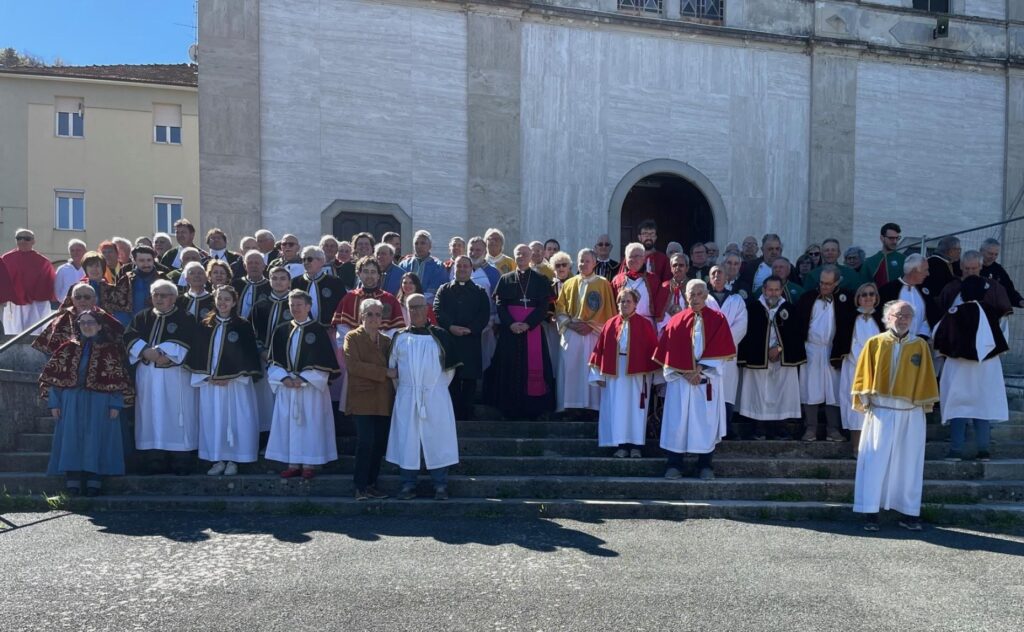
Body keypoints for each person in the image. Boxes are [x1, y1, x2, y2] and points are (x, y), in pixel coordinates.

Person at [851, 300, 939, 531]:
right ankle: (870, 511)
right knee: (875, 460)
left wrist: (923, 403)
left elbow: (927, 378)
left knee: (909, 464)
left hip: (910, 411)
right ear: (888, 317)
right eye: (898, 315)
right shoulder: (875, 343)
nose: (903, 319)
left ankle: (909, 513)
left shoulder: (919, 345)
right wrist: (864, 399)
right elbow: (862, 375)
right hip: (882, 411)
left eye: (907, 316)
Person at [40, 310, 131, 496]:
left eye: (91, 322)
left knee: (96, 438)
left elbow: (119, 378)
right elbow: (53, 377)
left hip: (100, 400)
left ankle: (94, 480)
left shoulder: (110, 350)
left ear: (99, 326)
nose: (87, 326)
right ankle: (72, 480)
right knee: (71, 438)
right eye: (83, 323)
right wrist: (54, 403)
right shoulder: (67, 348)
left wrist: (115, 404)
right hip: (71, 399)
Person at [656, 280, 737, 479]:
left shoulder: (718, 319)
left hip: (706, 381)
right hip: (681, 382)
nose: (696, 298)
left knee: (706, 423)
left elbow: (722, 352)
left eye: (700, 293)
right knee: (677, 423)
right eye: (692, 294)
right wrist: (685, 372)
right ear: (685, 295)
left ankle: (705, 465)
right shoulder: (675, 321)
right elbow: (667, 354)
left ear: (706, 294)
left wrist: (700, 369)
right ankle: (674, 464)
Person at [388, 293, 461, 500]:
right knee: (407, 440)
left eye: (419, 307)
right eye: (411, 308)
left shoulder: (440, 336)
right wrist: (407, 390)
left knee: (437, 438)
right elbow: (393, 370)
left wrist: (433, 388)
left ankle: (440, 484)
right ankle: (408, 484)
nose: (416, 311)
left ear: (427, 308)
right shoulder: (400, 337)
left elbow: (449, 372)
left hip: (434, 395)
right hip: (407, 395)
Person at [124, 279, 200, 475]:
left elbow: (189, 341)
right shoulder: (142, 317)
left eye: (163, 295)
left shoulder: (185, 318)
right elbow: (129, 336)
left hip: (175, 377)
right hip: (147, 375)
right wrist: (145, 351)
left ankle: (180, 460)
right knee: (150, 414)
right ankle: (153, 458)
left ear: (174, 298)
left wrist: (161, 353)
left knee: (175, 414)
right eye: (156, 295)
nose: (158, 298)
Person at [266, 289, 341, 479]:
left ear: (308, 307)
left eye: (299, 305)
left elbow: (325, 362)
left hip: (310, 388)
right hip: (288, 386)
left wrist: (305, 378)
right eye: (292, 305)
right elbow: (273, 360)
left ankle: (309, 463)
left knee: (311, 424)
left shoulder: (317, 331)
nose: (295, 308)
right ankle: (292, 463)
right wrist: (283, 377)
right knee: (288, 425)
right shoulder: (281, 330)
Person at [934, 275, 1010, 462]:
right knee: (982, 406)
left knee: (958, 404)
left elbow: (939, 336)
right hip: (987, 367)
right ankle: (984, 450)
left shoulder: (954, 311)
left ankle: (956, 450)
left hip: (959, 366)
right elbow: (1000, 339)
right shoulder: (991, 312)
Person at [190, 286, 262, 476]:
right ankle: (217, 458)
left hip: (235, 384)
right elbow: (198, 354)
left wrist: (233, 376)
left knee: (236, 420)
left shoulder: (243, 326)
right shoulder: (205, 325)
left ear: (234, 302)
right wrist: (207, 376)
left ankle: (234, 459)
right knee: (214, 420)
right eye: (219, 299)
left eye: (227, 299)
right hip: (211, 383)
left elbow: (249, 355)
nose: (223, 303)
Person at [486, 243, 557, 419]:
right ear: (514, 256)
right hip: (510, 331)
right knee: (508, 366)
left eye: (525, 254)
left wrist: (528, 324)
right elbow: (500, 304)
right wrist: (510, 324)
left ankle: (533, 408)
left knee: (532, 367)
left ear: (531, 255)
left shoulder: (540, 280)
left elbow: (543, 306)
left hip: (532, 329)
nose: (521, 257)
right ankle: (508, 407)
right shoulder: (505, 279)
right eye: (518, 254)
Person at [589, 288, 659, 458]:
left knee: (636, 410)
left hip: (637, 373)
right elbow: (599, 350)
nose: (624, 304)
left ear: (635, 304)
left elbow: (653, 350)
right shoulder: (610, 324)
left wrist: (654, 376)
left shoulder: (645, 324)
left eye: (628, 301)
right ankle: (620, 445)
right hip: (615, 372)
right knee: (617, 409)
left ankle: (636, 446)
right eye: (621, 301)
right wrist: (597, 375)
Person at [331, 257, 405, 415]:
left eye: (373, 272)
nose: (369, 276)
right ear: (359, 274)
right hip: (357, 354)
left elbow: (397, 329)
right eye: (365, 272)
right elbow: (342, 327)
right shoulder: (349, 298)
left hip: (382, 353)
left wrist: (377, 339)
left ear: (379, 276)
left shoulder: (389, 299)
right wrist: (360, 342)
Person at [736, 276, 805, 440]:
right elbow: (748, 335)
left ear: (781, 291)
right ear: (764, 290)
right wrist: (765, 351)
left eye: (776, 289)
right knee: (758, 392)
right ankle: (758, 428)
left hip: (782, 358)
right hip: (758, 358)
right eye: (770, 289)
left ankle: (780, 427)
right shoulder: (753, 308)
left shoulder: (789, 308)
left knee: (782, 392)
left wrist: (779, 348)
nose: (773, 293)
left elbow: (795, 334)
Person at [343, 299, 396, 500]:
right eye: (370, 314)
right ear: (361, 316)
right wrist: (384, 373)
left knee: (379, 443)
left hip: (383, 399)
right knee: (365, 442)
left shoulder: (386, 341)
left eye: (378, 314)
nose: (374, 318)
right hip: (362, 398)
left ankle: (372, 484)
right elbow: (353, 366)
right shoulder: (352, 337)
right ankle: (360, 486)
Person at [554, 248, 617, 418]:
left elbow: (610, 312)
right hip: (572, 333)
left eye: (587, 261)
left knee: (590, 370)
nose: (583, 264)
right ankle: (569, 406)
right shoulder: (568, 283)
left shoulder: (603, 283)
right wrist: (571, 324)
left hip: (593, 335)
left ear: (595, 263)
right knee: (570, 368)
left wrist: (592, 326)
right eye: (581, 261)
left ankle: (592, 407)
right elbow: (560, 310)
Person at [797, 265, 854, 442]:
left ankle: (833, 429)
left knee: (834, 390)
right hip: (812, 349)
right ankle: (811, 428)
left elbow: (848, 326)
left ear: (837, 282)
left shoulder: (846, 299)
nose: (824, 287)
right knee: (810, 388)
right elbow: (798, 325)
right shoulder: (808, 298)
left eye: (828, 284)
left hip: (833, 350)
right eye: (822, 283)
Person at [434, 256, 491, 421]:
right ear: (454, 268)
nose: (463, 269)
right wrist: (451, 326)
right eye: (459, 266)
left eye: (466, 266)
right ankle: (451, 413)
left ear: (471, 269)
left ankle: (467, 413)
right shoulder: (444, 290)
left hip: (470, 341)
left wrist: (470, 329)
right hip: (449, 340)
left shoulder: (479, 292)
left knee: (469, 379)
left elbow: (484, 314)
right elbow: (438, 310)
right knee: (451, 378)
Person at [836, 283, 883, 456]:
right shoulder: (850, 318)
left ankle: (875, 447)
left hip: (878, 369)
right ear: (858, 298)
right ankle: (856, 447)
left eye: (871, 294)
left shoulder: (883, 319)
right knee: (855, 407)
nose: (868, 297)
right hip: (855, 367)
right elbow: (850, 343)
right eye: (864, 295)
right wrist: (863, 361)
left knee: (876, 406)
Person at [250, 266, 294, 435]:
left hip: (287, 361)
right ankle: (265, 436)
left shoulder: (296, 303)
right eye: (274, 278)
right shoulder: (260, 305)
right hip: (264, 359)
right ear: (269, 280)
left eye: (283, 278)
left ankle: (283, 435)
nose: (278, 282)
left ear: (289, 282)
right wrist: (262, 351)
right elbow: (252, 332)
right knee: (265, 401)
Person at [705, 265, 748, 437]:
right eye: (713, 274)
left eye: (720, 273)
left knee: (728, 391)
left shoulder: (737, 300)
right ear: (709, 278)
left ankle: (726, 428)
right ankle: (710, 427)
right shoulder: (705, 299)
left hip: (730, 354)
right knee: (710, 390)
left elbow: (741, 325)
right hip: (708, 353)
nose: (717, 276)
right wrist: (714, 344)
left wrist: (724, 344)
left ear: (727, 277)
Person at [33, 283, 123, 356]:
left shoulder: (103, 317)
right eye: (78, 297)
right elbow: (50, 348)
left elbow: (118, 340)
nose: (82, 300)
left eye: (87, 297)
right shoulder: (62, 319)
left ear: (94, 300)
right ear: (72, 299)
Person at [2, 228, 55, 334]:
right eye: (19, 238)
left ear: (33, 241)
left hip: (36, 303)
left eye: (26, 238)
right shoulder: (5, 259)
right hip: (14, 303)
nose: (22, 241)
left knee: (37, 331)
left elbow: (49, 282)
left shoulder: (43, 261)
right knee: (13, 332)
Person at [878, 254, 939, 341]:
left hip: (917, 344)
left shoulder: (924, 291)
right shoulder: (888, 290)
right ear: (914, 271)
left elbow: (928, 318)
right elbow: (882, 319)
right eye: (925, 270)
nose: (928, 274)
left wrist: (921, 337)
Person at [938, 250, 1012, 319]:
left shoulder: (994, 287)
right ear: (961, 266)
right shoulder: (951, 287)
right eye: (967, 268)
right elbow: (941, 313)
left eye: (974, 268)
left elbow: (1004, 314)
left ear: (980, 266)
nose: (970, 272)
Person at [612, 242, 668, 332]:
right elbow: (612, 305)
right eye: (631, 256)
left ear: (643, 258)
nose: (634, 259)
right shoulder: (617, 280)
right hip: (623, 324)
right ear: (626, 259)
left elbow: (660, 307)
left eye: (637, 256)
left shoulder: (653, 280)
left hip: (646, 325)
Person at [291, 245, 346, 325]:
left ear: (321, 261)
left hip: (328, 329)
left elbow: (342, 308)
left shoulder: (335, 282)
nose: (306, 262)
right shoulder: (296, 282)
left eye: (309, 259)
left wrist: (335, 328)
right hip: (304, 329)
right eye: (303, 260)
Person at [74, 251, 131, 325]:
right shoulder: (76, 289)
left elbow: (122, 313)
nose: (94, 269)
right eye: (90, 266)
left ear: (103, 268)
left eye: (97, 266)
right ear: (85, 269)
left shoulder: (113, 290)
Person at [398, 230, 449, 303]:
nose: (419, 246)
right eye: (416, 243)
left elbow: (436, 291)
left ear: (430, 246)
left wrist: (417, 300)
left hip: (427, 306)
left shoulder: (438, 266)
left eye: (423, 243)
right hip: (404, 304)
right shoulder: (404, 265)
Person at [979, 237, 1024, 308]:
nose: (993, 257)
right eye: (990, 253)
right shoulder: (971, 265)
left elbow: (1009, 290)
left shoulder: (998, 269)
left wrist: (1020, 301)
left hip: (990, 312)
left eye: (996, 254)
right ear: (981, 251)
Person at [124, 245, 166, 317]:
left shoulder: (163, 279)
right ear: (134, 261)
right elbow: (120, 309)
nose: (146, 264)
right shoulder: (126, 281)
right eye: (141, 260)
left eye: (149, 260)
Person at [232, 250, 272, 320]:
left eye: (257, 263)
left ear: (263, 266)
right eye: (250, 263)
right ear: (245, 266)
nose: (253, 266)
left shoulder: (271, 286)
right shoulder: (235, 285)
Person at [54, 239, 87, 306]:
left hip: (86, 305)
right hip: (66, 307)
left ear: (85, 251)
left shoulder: (89, 268)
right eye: (72, 250)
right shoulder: (62, 269)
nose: (75, 253)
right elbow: (57, 290)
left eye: (78, 250)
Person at [663, 253, 689, 317]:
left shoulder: (692, 286)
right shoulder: (664, 286)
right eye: (674, 265)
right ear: (671, 269)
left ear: (687, 268)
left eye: (681, 265)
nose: (677, 267)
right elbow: (660, 313)